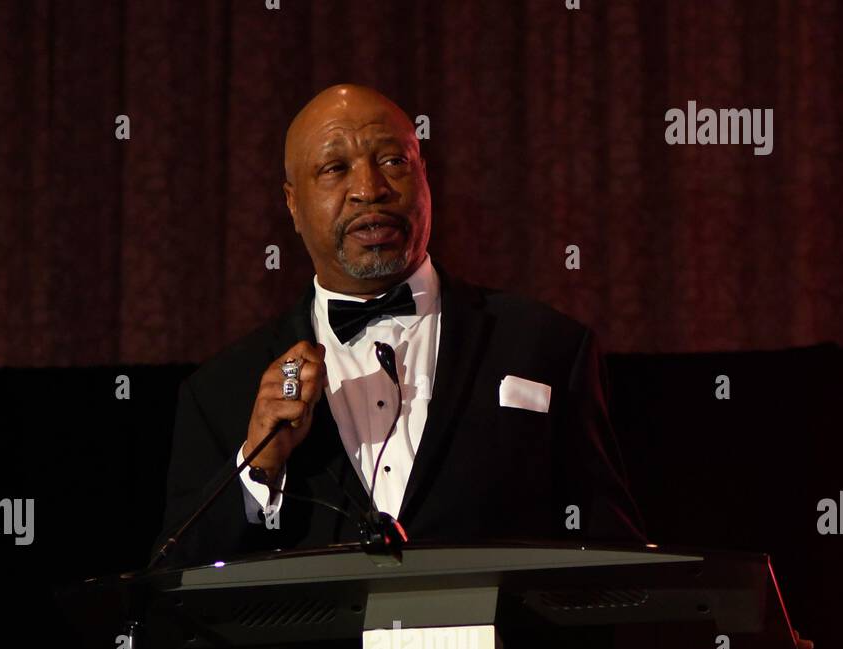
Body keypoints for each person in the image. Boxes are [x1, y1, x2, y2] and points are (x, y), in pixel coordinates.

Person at [149, 83, 647, 569]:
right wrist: (259, 470)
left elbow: (614, 562)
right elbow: (172, 585)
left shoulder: (549, 347)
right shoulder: (220, 392)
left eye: (393, 162)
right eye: (334, 169)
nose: (370, 190)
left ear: (424, 177)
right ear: (293, 205)